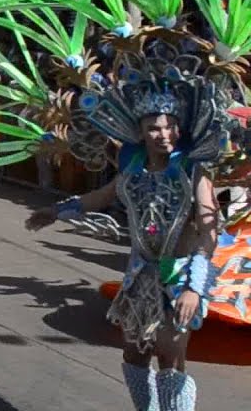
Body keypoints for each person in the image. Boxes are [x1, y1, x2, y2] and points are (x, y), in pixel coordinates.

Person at [27, 104, 219, 411]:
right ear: (141, 134)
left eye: (169, 127)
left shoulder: (193, 171)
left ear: (179, 131)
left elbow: (209, 233)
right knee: (134, 355)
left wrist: (194, 288)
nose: (163, 134)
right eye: (154, 128)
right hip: (140, 275)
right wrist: (56, 211)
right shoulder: (132, 170)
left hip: (178, 276)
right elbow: (101, 197)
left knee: (170, 358)